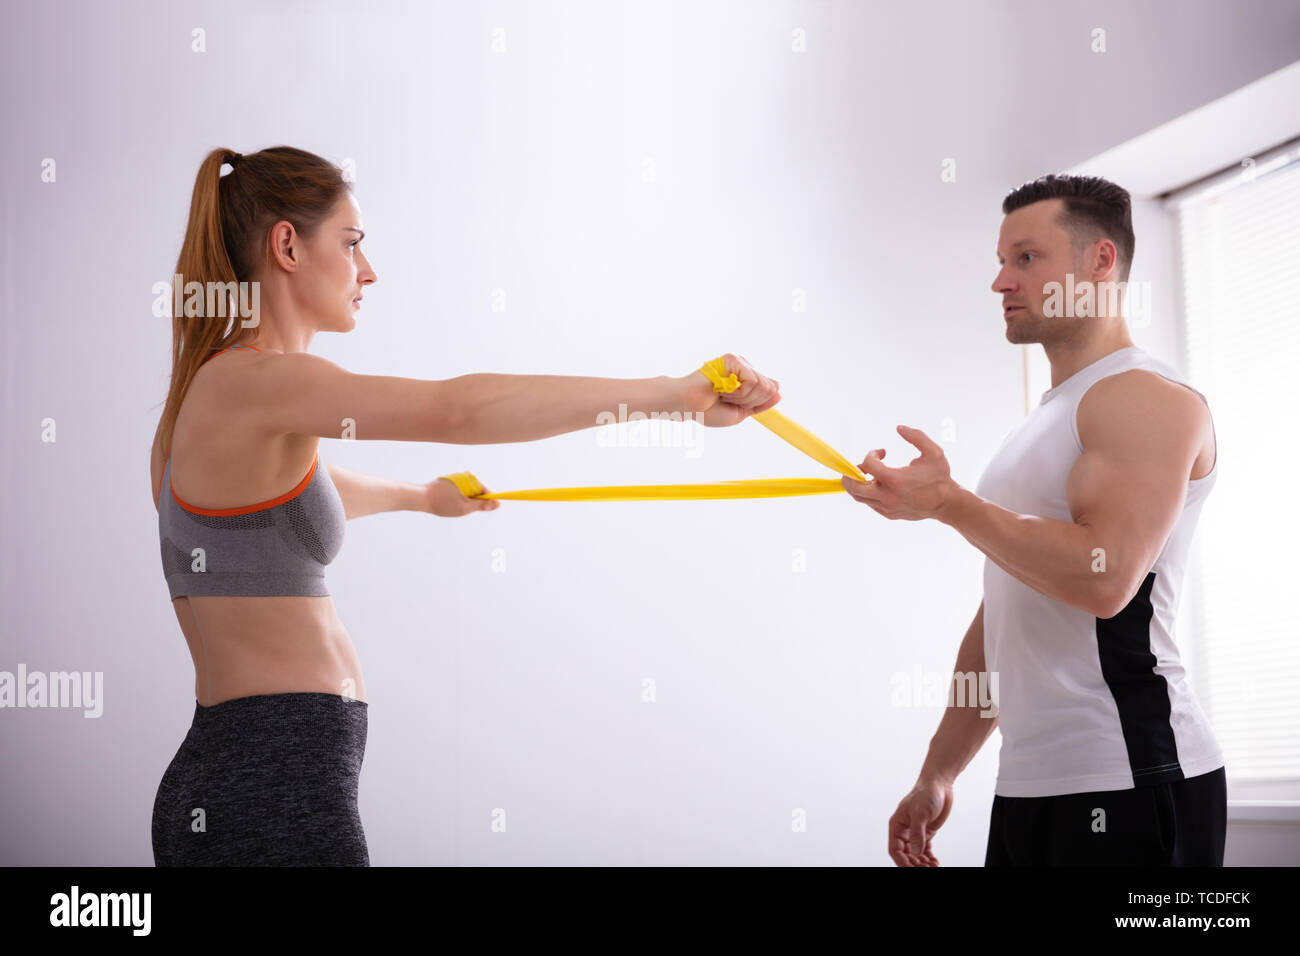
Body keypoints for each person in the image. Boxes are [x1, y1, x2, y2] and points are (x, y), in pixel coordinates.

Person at [149, 145, 781, 866]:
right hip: (275, 786)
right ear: (287, 245)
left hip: (236, 777)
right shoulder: (264, 382)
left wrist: (422, 498)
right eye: (352, 243)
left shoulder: (202, 409)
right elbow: (455, 409)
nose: (368, 270)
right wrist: (669, 395)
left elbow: (273, 513)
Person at [842, 174, 1225, 866]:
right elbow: (1004, 614)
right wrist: (939, 773)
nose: (999, 282)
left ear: (1100, 262)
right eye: (1000, 261)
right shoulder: (1046, 420)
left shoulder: (1146, 398)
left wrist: (953, 505)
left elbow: (1104, 579)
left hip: (1131, 777)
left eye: (1025, 258)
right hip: (1032, 786)